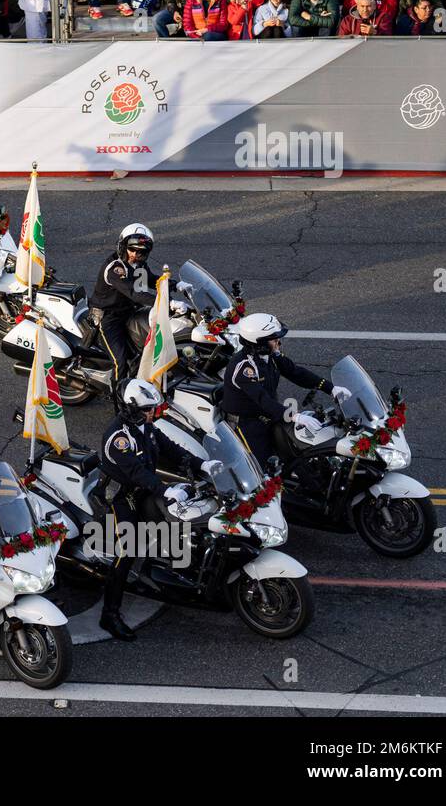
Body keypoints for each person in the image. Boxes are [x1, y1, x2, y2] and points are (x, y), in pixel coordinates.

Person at [97, 380, 215, 641]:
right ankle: (110, 614)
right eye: (148, 409)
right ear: (132, 409)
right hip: (122, 494)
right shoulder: (118, 439)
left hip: (145, 488)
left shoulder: (146, 426)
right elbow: (135, 473)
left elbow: (171, 449)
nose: (153, 413)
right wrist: (164, 489)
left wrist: (202, 465)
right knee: (127, 549)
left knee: (180, 516)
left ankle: (174, 569)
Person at [222, 314, 348, 470]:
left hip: (269, 413)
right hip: (248, 423)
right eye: (273, 339)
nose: (278, 342)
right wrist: (294, 415)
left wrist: (330, 388)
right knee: (262, 468)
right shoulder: (244, 368)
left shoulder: (270, 355)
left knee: (297, 452)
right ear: (259, 343)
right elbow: (262, 399)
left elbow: (296, 373)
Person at [89, 223, 161, 382]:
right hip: (109, 318)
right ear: (123, 246)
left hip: (129, 313)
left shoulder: (138, 264)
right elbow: (134, 293)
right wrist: (163, 302)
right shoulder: (115, 268)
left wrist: (173, 284)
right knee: (120, 362)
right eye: (132, 249)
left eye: (141, 252)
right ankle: (119, 401)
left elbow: (149, 280)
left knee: (142, 351)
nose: (135, 254)